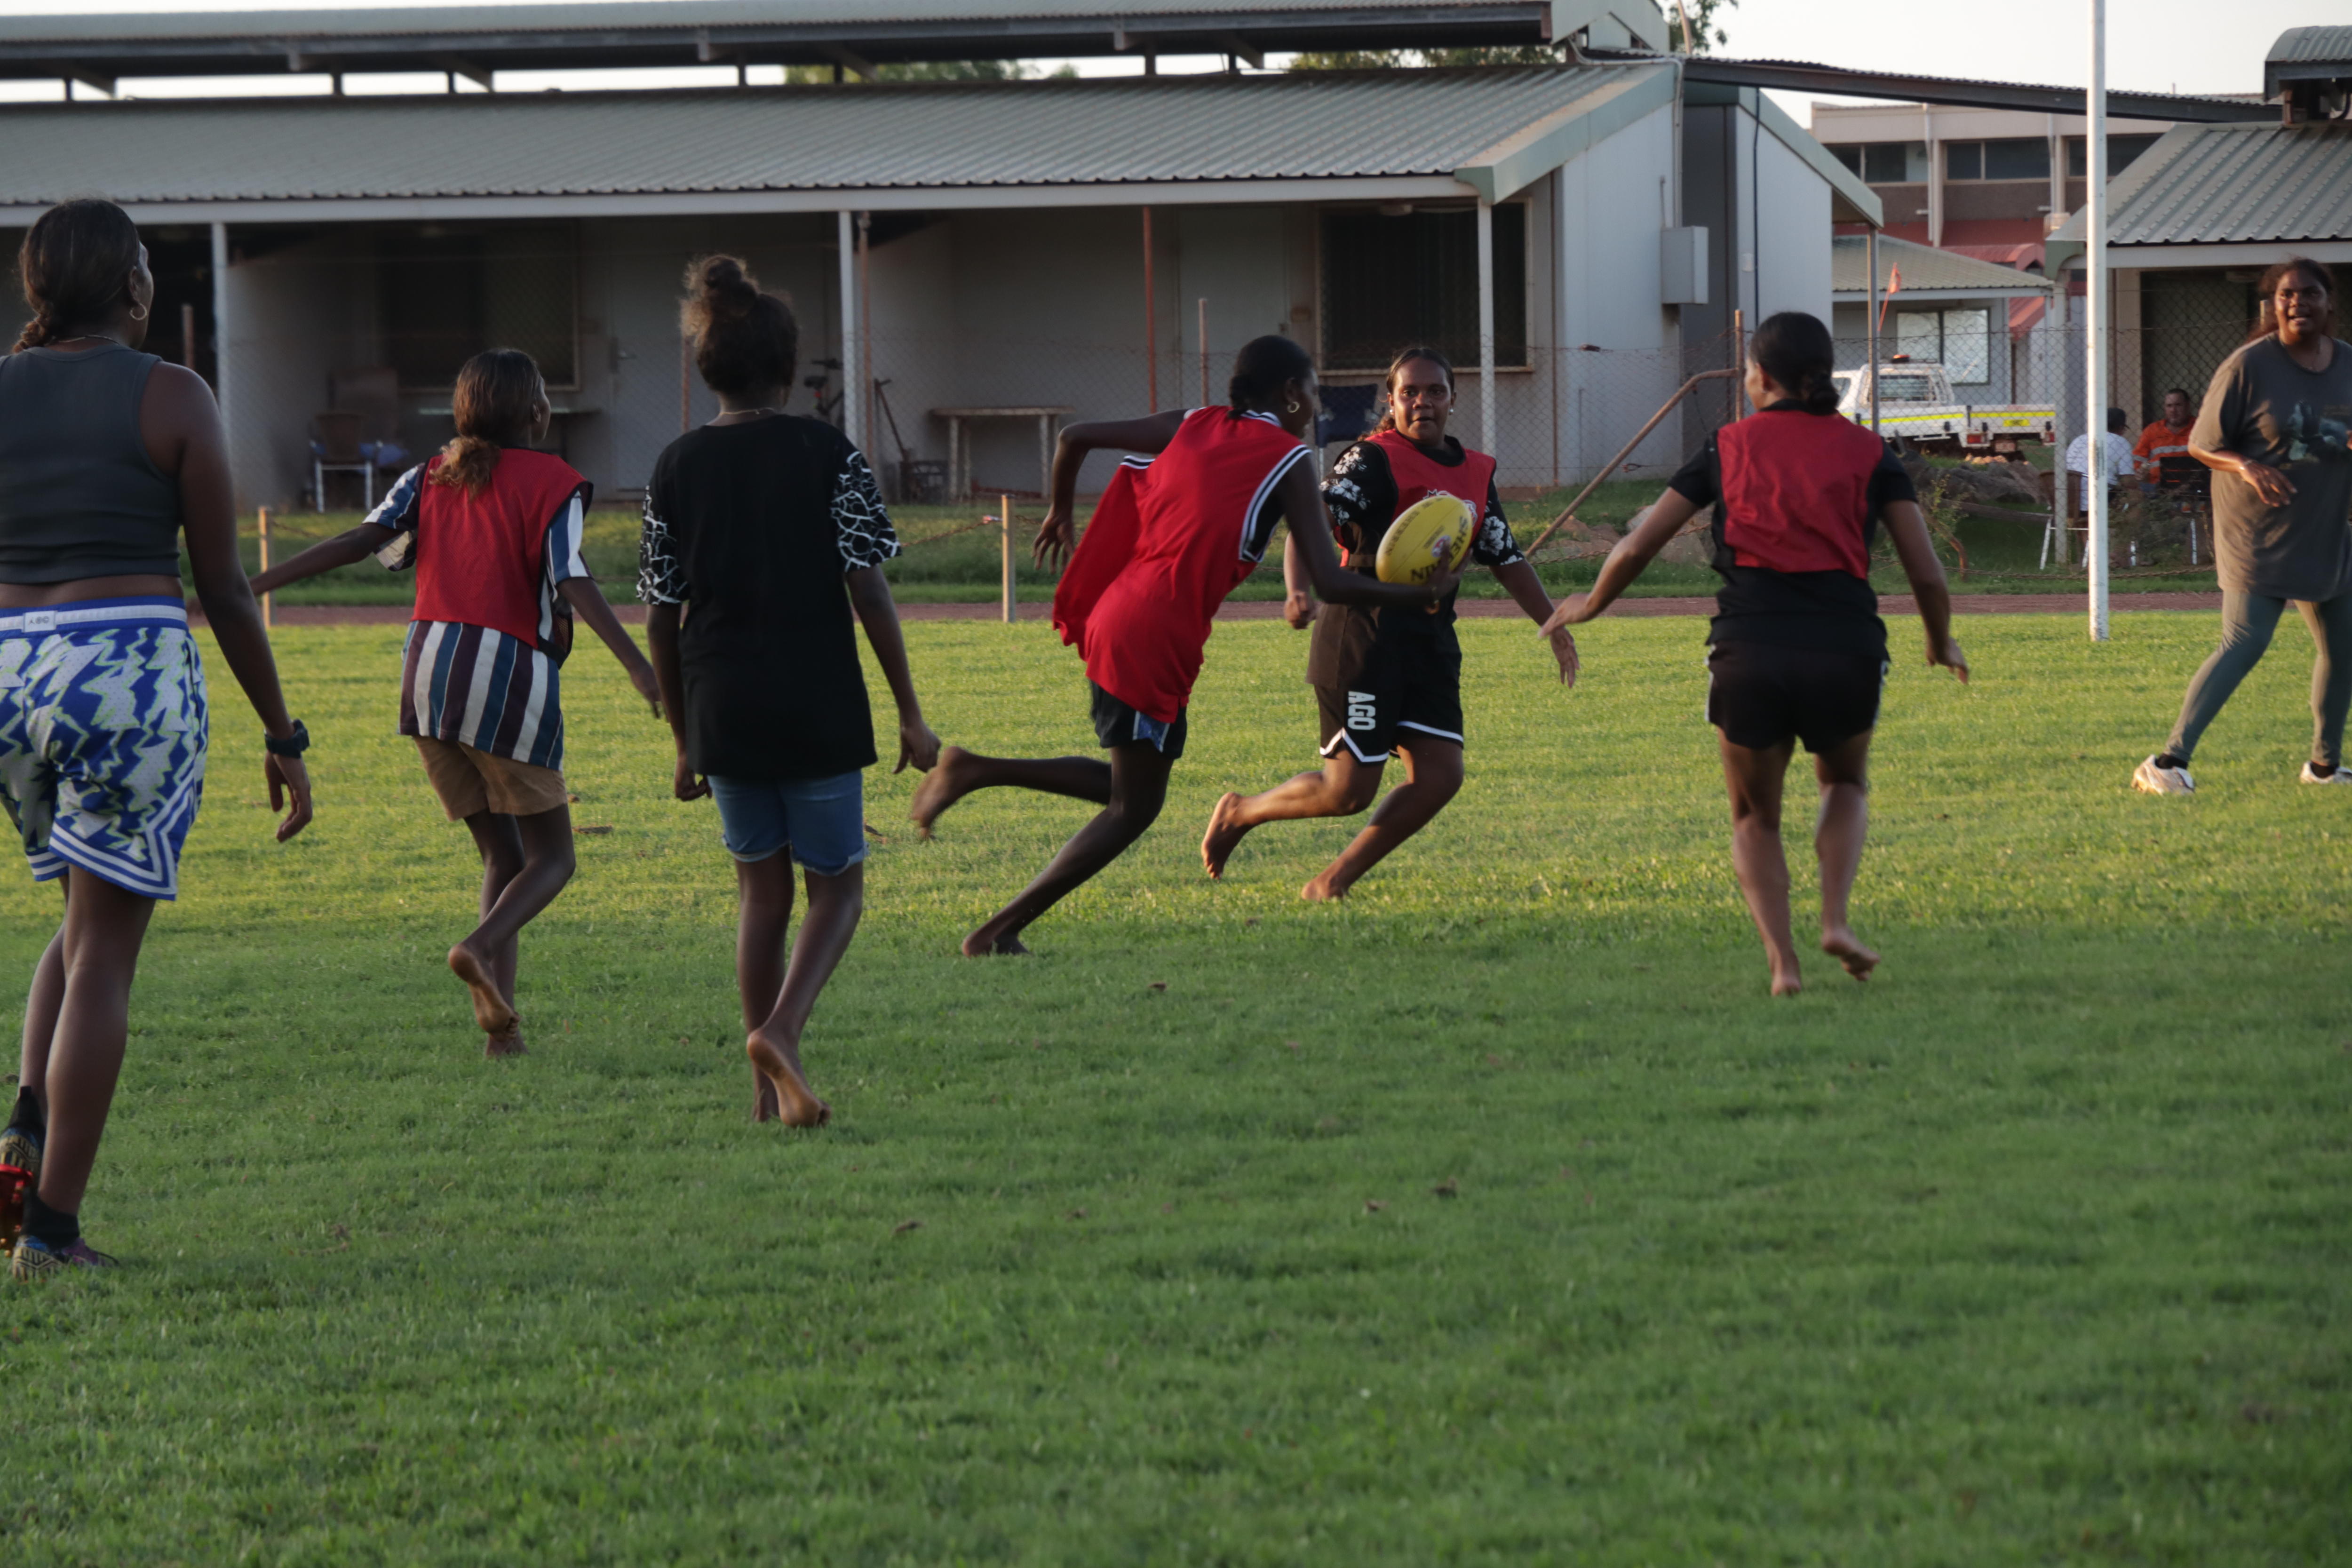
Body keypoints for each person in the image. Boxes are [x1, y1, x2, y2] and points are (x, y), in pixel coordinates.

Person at [908, 334, 1455, 955]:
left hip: (1123, 609)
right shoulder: (1287, 458)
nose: (1314, 402)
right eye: (1310, 390)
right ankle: (995, 931)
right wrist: (1422, 593)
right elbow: (1331, 579)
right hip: (1154, 631)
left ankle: (974, 769)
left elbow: (1076, 437)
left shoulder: (1193, 422)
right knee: (1132, 810)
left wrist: (1061, 510)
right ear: (1289, 395)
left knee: (1136, 790)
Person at [0, 199, 313, 1276]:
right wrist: (286, 733)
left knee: (80, 925)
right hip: (124, 666)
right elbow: (224, 589)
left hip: (10, 672)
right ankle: (48, 1230)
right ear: (128, 286)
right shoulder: (173, 393)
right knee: (106, 960)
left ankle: (25, 1128)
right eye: (143, 264)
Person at [1541, 311, 1968, 996]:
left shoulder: (1726, 445)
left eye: (1746, 370)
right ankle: (1834, 919)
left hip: (1751, 651)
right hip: (1846, 650)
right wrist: (1939, 638)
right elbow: (1925, 572)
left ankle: (1783, 963)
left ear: (1760, 377)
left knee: (1754, 816)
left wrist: (1588, 604)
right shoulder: (1868, 452)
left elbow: (1638, 545)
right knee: (1845, 784)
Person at [252, 349, 661, 1051]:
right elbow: (570, 576)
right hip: (504, 677)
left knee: (501, 859)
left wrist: (251, 585)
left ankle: (502, 1034)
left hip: (425, 678)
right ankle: (476, 946)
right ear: (539, 412)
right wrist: (639, 667)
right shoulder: (556, 481)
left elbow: (363, 540)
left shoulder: (429, 474)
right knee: (554, 859)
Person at [638, 257, 939, 1128]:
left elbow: (663, 614)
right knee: (837, 889)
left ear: (709, 372)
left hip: (721, 708)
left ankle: (765, 1093)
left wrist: (685, 742)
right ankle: (782, 1033)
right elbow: (868, 586)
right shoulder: (828, 451)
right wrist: (911, 715)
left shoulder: (673, 467)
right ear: (787, 371)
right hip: (815, 703)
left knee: (759, 895)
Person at [1198, 346, 1577, 898]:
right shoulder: (1371, 459)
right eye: (1410, 393)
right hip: (1363, 641)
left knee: (1441, 777)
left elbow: (1504, 556)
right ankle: (1239, 811)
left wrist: (1553, 625)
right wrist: (1295, 591)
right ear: (1392, 400)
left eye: (1435, 392)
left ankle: (1330, 883)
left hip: (1428, 643)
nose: (1423, 402)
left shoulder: (1474, 470)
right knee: (1347, 792)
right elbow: (1311, 519)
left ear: (1452, 399)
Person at [2134, 257, 2352, 795]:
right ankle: (2165, 763)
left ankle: (2323, 768)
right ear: (2272, 305)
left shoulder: (2347, 362)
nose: (2296, 303)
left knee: (2343, 647)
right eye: (2285, 295)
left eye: (2308, 293)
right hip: (2256, 530)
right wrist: (2248, 466)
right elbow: (2201, 444)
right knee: (2245, 640)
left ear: (2329, 302)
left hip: (2323, 526)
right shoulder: (2248, 365)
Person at [2066, 406, 2138, 509]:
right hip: (2099, 501)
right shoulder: (2121, 442)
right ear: (2121, 428)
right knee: (2137, 496)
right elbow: (2128, 481)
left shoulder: (2079, 440)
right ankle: (2121, 524)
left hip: (2069, 501)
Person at [2134, 387, 2201, 491]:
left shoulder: (2200, 428)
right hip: (2157, 490)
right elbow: (2138, 461)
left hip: (2192, 490)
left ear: (2188, 406)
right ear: (2165, 408)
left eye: (2178, 405)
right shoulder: (2152, 431)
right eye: (2169, 406)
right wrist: (2141, 475)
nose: (2173, 410)